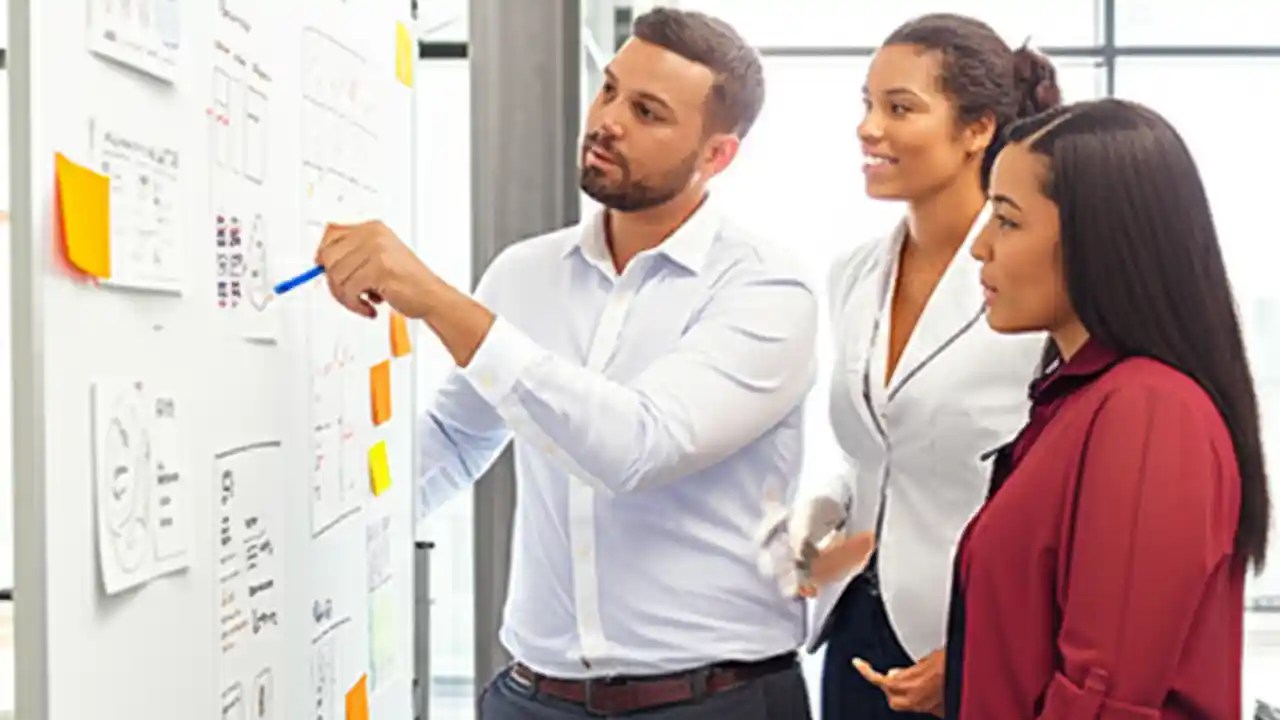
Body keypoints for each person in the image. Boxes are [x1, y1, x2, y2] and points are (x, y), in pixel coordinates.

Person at [315, 8, 817, 719]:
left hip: (712, 701)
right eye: (609, 91)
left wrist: (436, 302)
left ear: (717, 156)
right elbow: (457, 441)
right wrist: (321, 521)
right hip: (531, 698)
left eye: (647, 112)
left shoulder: (766, 291)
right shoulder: (525, 273)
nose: (609, 120)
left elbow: (637, 448)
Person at [757, 13, 1063, 719]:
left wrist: (984, 650)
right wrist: (826, 507)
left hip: (978, 637)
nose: (869, 128)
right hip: (859, 632)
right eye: (867, 104)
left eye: (900, 108)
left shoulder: (1040, 281)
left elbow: (1058, 490)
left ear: (977, 128)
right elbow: (887, 444)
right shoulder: (854, 274)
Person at [945, 97, 1271, 719]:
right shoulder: (1079, 401)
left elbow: (1105, 696)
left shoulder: (1147, 410)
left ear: (1100, 240)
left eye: (1008, 222)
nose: (980, 247)